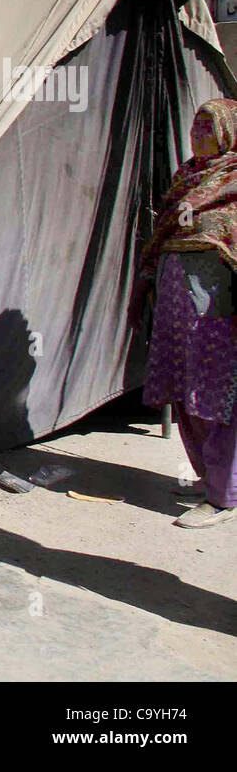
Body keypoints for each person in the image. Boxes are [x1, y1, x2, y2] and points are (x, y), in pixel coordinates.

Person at [137, 99, 237, 530]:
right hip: (178, 311)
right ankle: (207, 476)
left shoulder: (233, 180)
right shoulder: (186, 179)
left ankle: (223, 496)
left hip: (218, 313)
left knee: (216, 397)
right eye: (195, 124)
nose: (198, 133)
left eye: (208, 125)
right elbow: (160, 238)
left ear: (230, 131)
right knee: (185, 390)